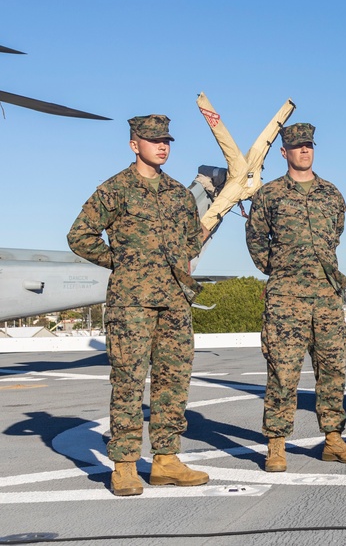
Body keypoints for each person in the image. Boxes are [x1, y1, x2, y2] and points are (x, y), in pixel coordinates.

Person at [67, 115, 209, 496]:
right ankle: (125, 466)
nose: (162, 146)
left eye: (166, 140)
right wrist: (120, 260)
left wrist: (181, 257)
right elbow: (79, 235)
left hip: (175, 301)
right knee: (128, 382)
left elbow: (193, 240)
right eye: (153, 140)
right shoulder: (116, 189)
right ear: (135, 145)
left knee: (172, 383)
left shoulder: (179, 193)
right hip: (131, 302)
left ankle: (165, 460)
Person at [245, 123, 346, 472]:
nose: (304, 151)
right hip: (286, 299)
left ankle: (333, 439)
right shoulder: (269, 195)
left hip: (326, 295)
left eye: (309, 145)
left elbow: (335, 236)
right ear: (285, 152)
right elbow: (255, 241)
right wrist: (282, 270)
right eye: (297, 147)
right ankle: (277, 445)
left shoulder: (331, 194)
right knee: (283, 371)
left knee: (332, 369)